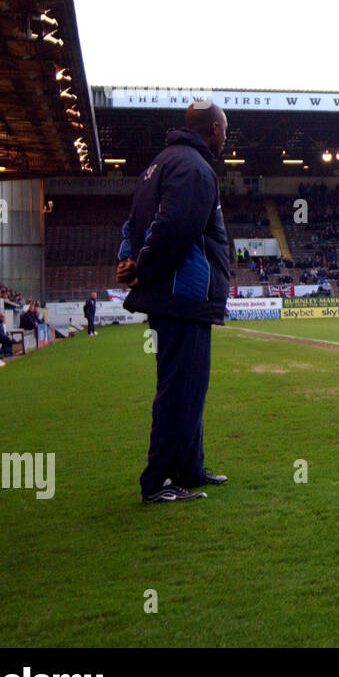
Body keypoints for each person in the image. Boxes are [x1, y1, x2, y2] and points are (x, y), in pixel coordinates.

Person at [118, 100, 233, 505]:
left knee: (189, 387)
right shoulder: (194, 168)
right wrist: (143, 268)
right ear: (213, 129)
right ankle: (159, 480)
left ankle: (188, 467)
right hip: (184, 294)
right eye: (224, 130)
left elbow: (133, 225)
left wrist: (129, 262)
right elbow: (174, 228)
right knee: (180, 389)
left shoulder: (160, 164)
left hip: (178, 296)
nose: (226, 137)